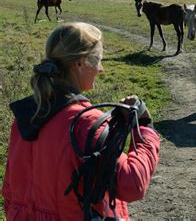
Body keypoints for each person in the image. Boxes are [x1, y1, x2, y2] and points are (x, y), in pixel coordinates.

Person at [2, 22, 160, 220]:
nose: (100, 69)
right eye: (98, 60)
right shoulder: (85, 124)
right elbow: (132, 184)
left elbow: (9, 191)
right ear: (80, 62)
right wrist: (145, 127)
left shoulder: (24, 119)